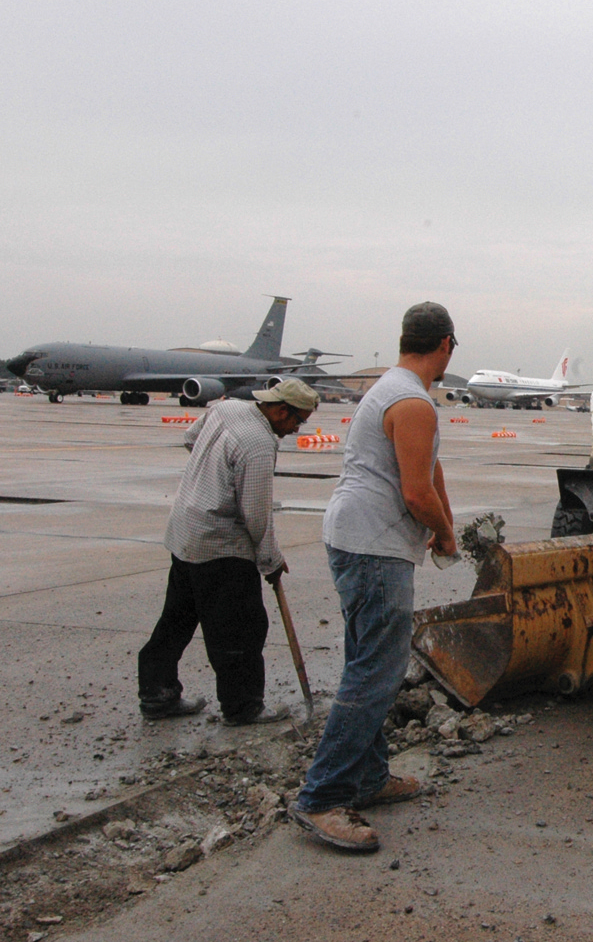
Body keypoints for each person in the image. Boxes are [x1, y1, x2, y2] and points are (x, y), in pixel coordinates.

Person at [289, 301, 458, 853]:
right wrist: (445, 534)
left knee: (370, 665)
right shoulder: (412, 402)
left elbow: (429, 471)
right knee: (375, 675)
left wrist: (444, 521)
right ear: (446, 345)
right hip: (374, 546)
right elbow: (414, 492)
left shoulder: (396, 390)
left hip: (361, 537)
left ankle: (367, 777)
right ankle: (322, 797)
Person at [137, 378, 319, 726]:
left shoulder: (226, 408)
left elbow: (191, 439)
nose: (296, 429)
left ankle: (157, 695)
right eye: (298, 421)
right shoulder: (259, 445)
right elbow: (256, 514)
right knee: (242, 629)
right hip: (221, 547)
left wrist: (213, 475)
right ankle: (242, 707)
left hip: (185, 532)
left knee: (176, 621)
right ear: (281, 410)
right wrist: (271, 561)